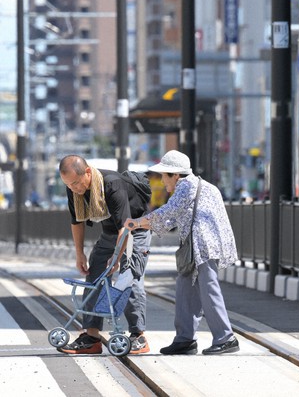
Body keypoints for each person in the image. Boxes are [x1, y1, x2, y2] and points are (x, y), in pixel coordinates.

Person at [126, 150, 239, 355]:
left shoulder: (187, 186)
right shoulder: (204, 186)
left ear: (175, 175)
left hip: (202, 246)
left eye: (164, 175)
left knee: (208, 289)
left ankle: (226, 337)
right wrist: (148, 224)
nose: (162, 180)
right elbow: (173, 218)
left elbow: (168, 212)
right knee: (185, 289)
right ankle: (185, 339)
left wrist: (138, 222)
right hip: (197, 246)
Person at [58, 155, 152, 354]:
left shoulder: (112, 184)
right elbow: (76, 222)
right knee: (95, 276)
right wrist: (79, 254)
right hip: (111, 232)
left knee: (129, 277)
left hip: (136, 229)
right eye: (68, 184)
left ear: (88, 172)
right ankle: (92, 337)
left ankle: (138, 336)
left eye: (76, 182)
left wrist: (117, 259)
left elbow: (125, 227)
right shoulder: (73, 190)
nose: (74, 188)